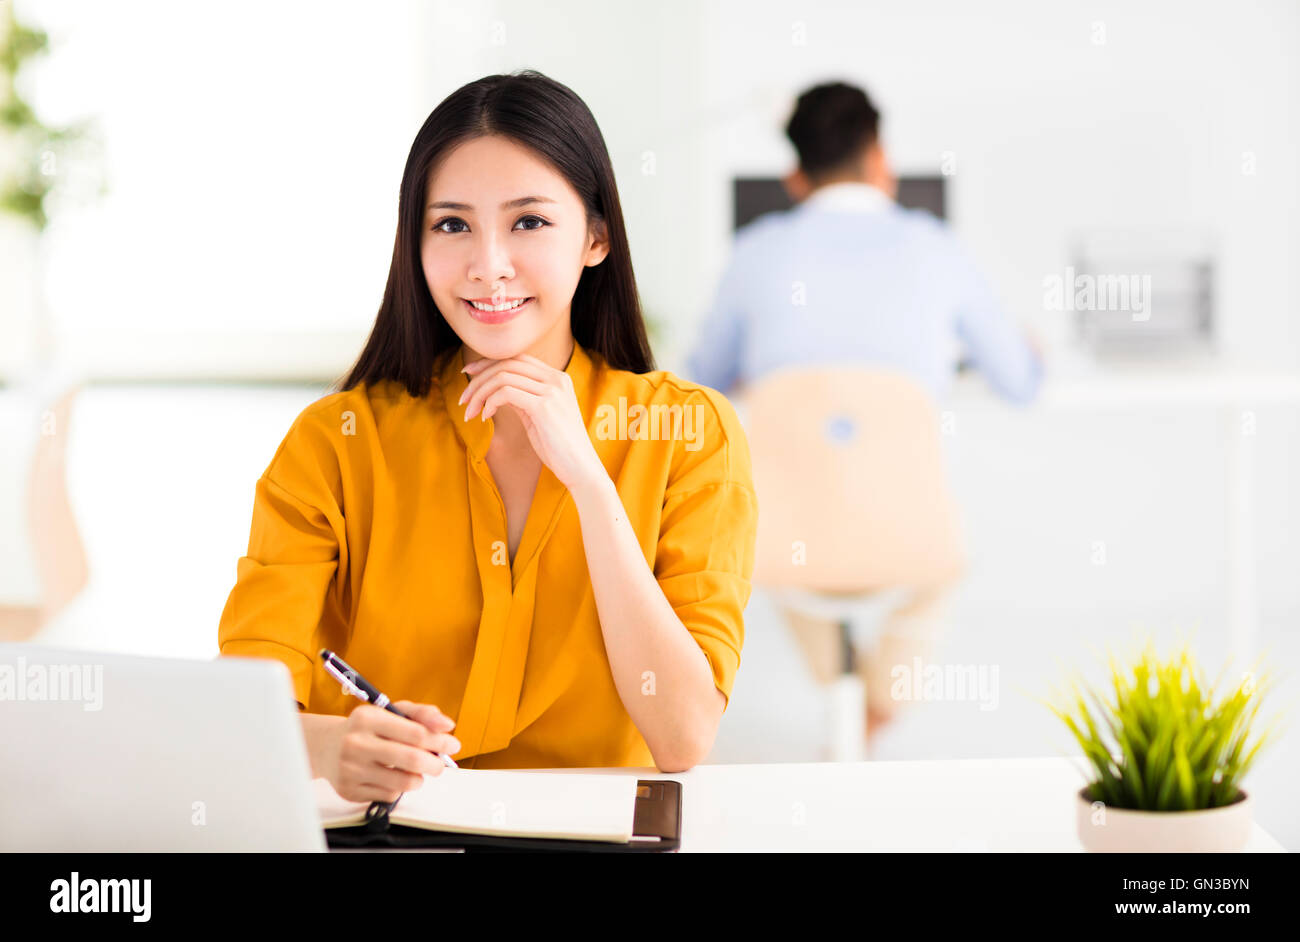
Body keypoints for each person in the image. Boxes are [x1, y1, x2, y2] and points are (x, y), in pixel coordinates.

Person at [218, 70, 758, 803]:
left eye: (529, 222)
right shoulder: (336, 441)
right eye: (452, 224)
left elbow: (683, 734)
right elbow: (242, 710)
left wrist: (592, 487)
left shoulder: (688, 433)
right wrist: (332, 745)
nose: (488, 265)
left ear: (596, 237)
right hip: (392, 836)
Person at [685, 81, 1042, 740]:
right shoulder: (935, 248)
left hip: (782, 545)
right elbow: (1020, 383)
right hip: (912, 537)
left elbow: (699, 383)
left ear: (795, 176)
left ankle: (847, 698)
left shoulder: (756, 253)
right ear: (880, 157)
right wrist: (1033, 350)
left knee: (785, 537)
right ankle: (879, 706)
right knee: (942, 569)